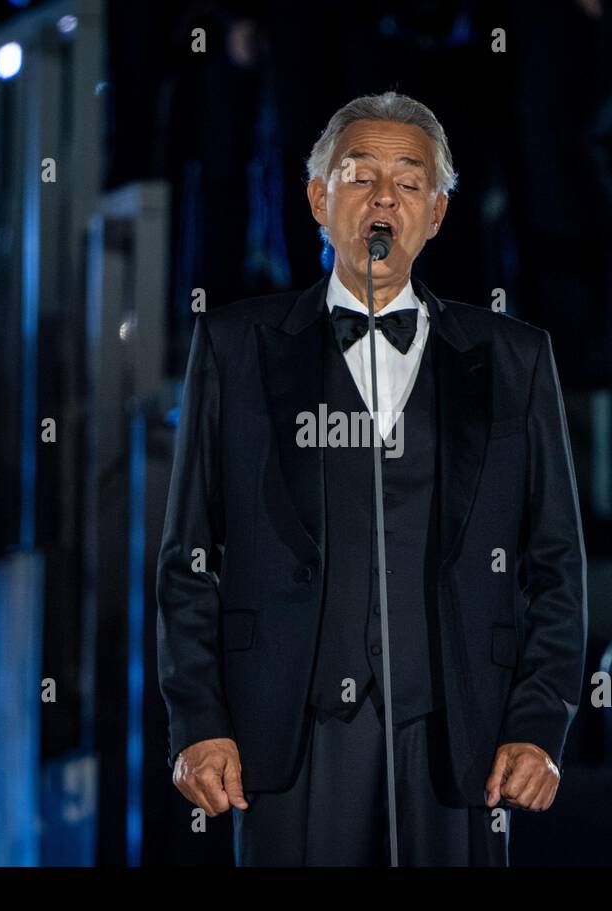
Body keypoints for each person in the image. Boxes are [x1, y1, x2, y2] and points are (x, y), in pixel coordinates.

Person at [156, 92, 587, 865]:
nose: (384, 197)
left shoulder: (516, 357)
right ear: (319, 199)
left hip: (464, 744)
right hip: (285, 740)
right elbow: (189, 560)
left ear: (438, 212)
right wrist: (198, 720)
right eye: (360, 176)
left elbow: (556, 566)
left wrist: (538, 723)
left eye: (409, 181)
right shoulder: (233, 347)